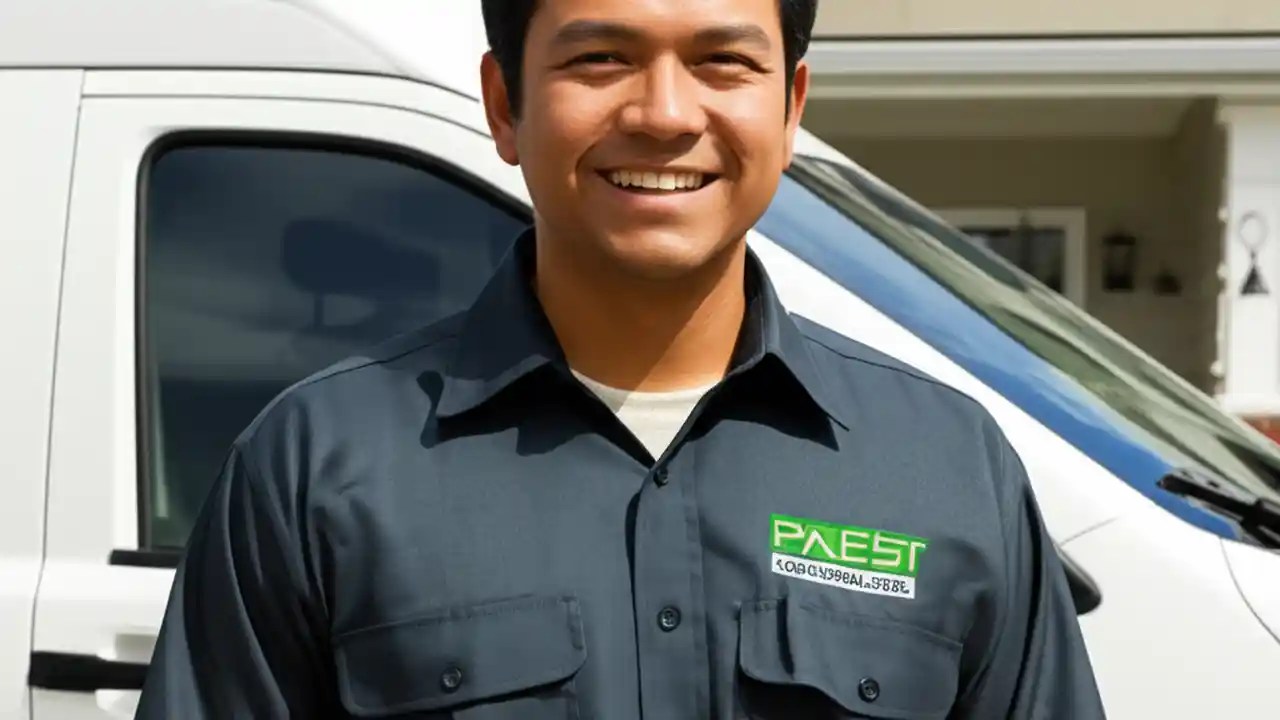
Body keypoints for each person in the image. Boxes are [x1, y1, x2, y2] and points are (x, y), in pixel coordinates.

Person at [137, 0, 1106, 717]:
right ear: (503, 104)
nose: (663, 113)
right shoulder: (312, 470)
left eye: (722, 62)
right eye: (599, 58)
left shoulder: (945, 470)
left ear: (791, 105)